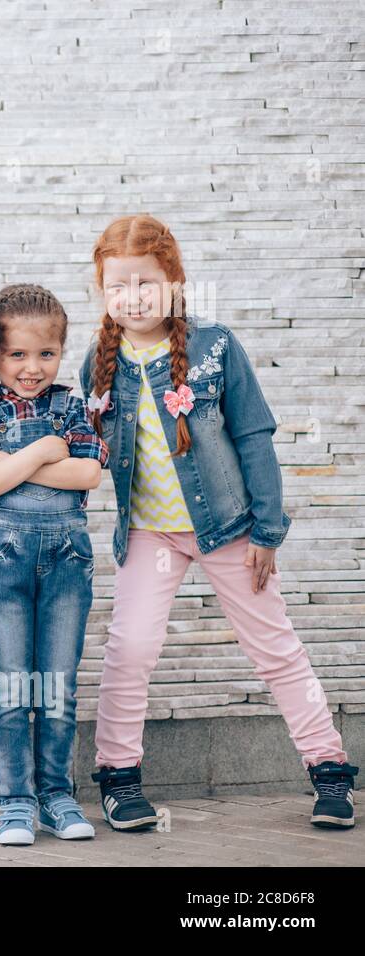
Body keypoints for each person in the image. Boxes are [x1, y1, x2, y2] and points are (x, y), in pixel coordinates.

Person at [81, 213, 357, 830]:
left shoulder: (215, 348)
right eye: (117, 286)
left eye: (145, 283)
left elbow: (254, 438)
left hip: (229, 529)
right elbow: (95, 451)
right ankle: (119, 776)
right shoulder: (99, 365)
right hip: (151, 533)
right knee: (130, 648)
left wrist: (267, 529)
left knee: (274, 647)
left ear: (175, 282)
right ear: (102, 291)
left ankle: (329, 769)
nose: (131, 298)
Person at [0, 284, 106, 845]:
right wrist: (47, 452)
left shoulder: (72, 405)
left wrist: (14, 461)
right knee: (13, 685)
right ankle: (15, 801)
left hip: (67, 556)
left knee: (58, 685)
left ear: (61, 352)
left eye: (45, 354)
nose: (31, 367)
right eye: (17, 354)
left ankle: (58, 796)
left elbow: (88, 475)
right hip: (3, 557)